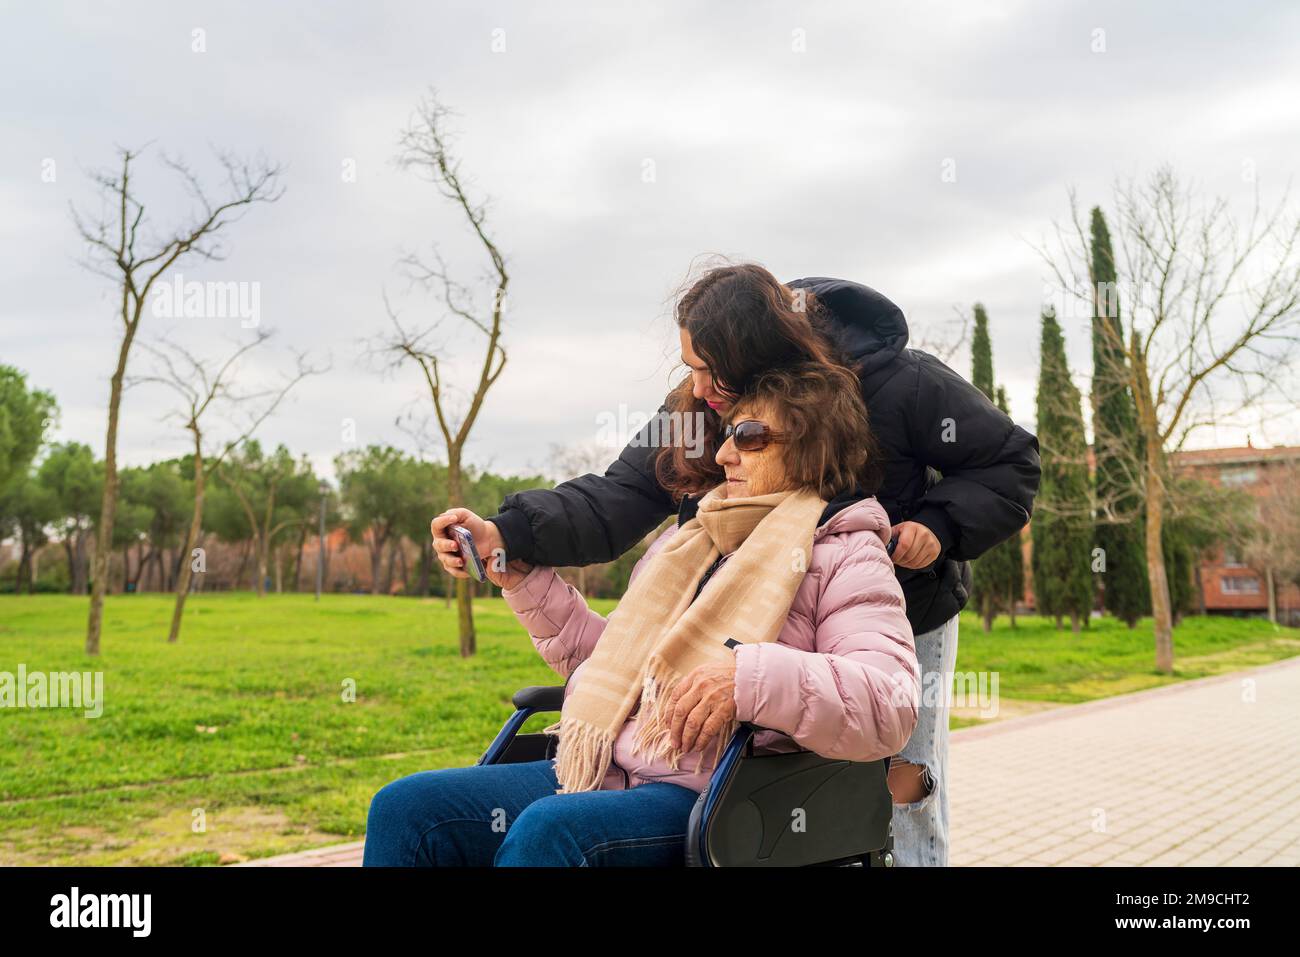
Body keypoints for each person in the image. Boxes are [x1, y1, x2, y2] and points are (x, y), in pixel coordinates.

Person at [432, 263, 1041, 866]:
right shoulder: (702, 409)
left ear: (755, 358)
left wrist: (937, 525)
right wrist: (506, 534)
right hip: (747, 610)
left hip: (900, 604)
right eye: (690, 367)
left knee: (898, 795)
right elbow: (619, 495)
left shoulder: (899, 384)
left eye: (708, 368)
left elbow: (1009, 463)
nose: (698, 387)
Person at [363, 362, 917, 866]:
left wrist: (749, 677)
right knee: (405, 808)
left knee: (551, 831)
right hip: (608, 769)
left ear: (814, 446)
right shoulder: (690, 539)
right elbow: (616, 665)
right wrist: (521, 577)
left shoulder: (846, 553)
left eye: (750, 438)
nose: (725, 455)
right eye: (728, 435)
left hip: (722, 796)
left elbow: (889, 703)